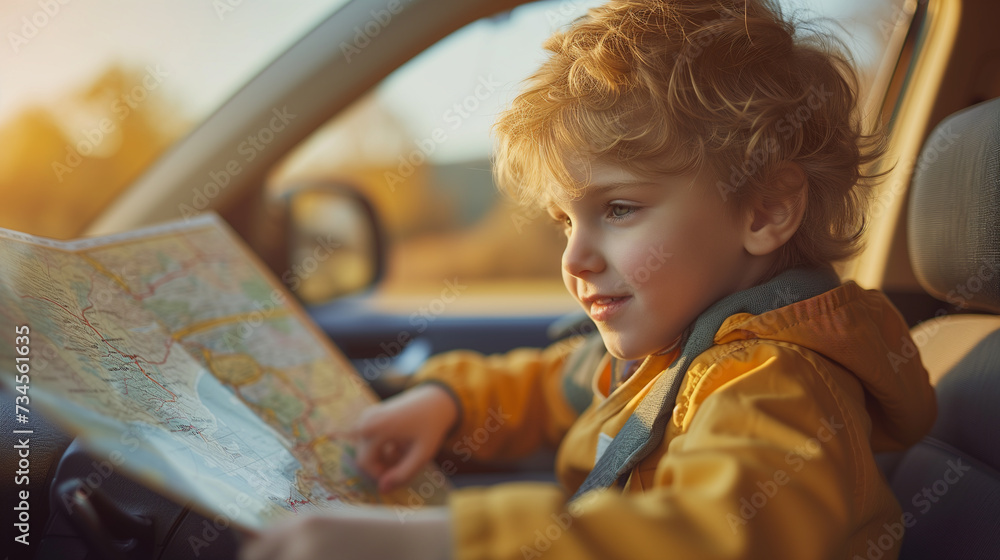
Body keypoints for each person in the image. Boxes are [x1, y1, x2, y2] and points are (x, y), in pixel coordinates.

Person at [241, 0, 936, 558]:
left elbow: (709, 535)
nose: (575, 258)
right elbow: (556, 382)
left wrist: (442, 541)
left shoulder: (778, 386)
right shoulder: (676, 352)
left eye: (619, 209)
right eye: (563, 221)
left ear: (766, 209)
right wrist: (449, 402)